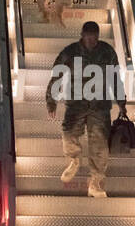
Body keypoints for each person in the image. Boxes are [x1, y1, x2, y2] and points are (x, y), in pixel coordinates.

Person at [46, 20, 122, 199]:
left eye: (94, 38)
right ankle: (74, 160)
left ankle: (95, 183)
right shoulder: (70, 52)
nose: (90, 41)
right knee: (69, 135)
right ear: (82, 35)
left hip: (100, 106)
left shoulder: (107, 51)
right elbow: (56, 75)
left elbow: (115, 78)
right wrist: (52, 100)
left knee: (100, 145)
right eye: (88, 37)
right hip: (76, 104)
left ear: (97, 37)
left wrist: (122, 102)